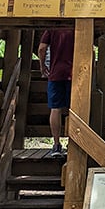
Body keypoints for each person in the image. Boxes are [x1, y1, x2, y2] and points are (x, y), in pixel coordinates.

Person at [37, 26, 75, 157]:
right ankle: (74, 144)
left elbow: (42, 48)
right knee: (74, 109)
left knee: (55, 108)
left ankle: (56, 144)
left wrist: (42, 66)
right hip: (74, 73)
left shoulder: (51, 28)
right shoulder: (75, 28)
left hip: (55, 73)